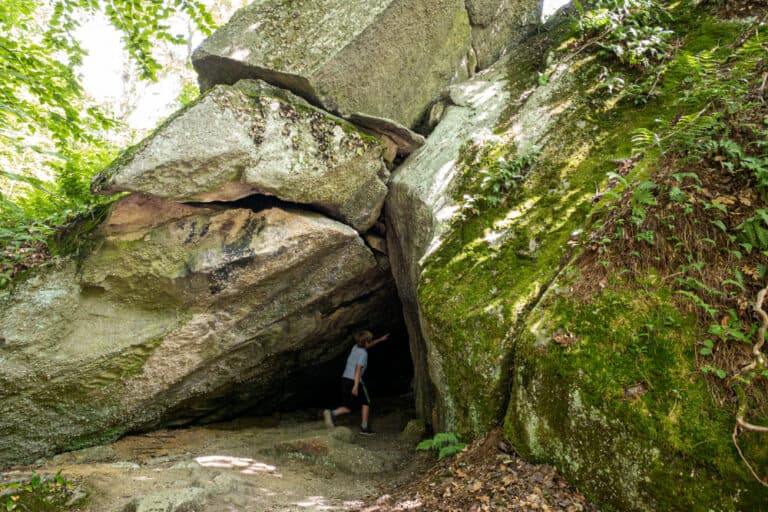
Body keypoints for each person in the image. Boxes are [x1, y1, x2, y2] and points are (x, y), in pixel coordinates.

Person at [323, 330, 389, 435]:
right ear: (365, 342)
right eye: (369, 340)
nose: (370, 342)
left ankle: (332, 413)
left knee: (348, 407)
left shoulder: (356, 347)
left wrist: (380, 340)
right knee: (366, 402)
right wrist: (356, 386)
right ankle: (364, 427)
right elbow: (358, 369)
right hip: (353, 380)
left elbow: (368, 345)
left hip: (345, 379)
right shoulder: (363, 354)